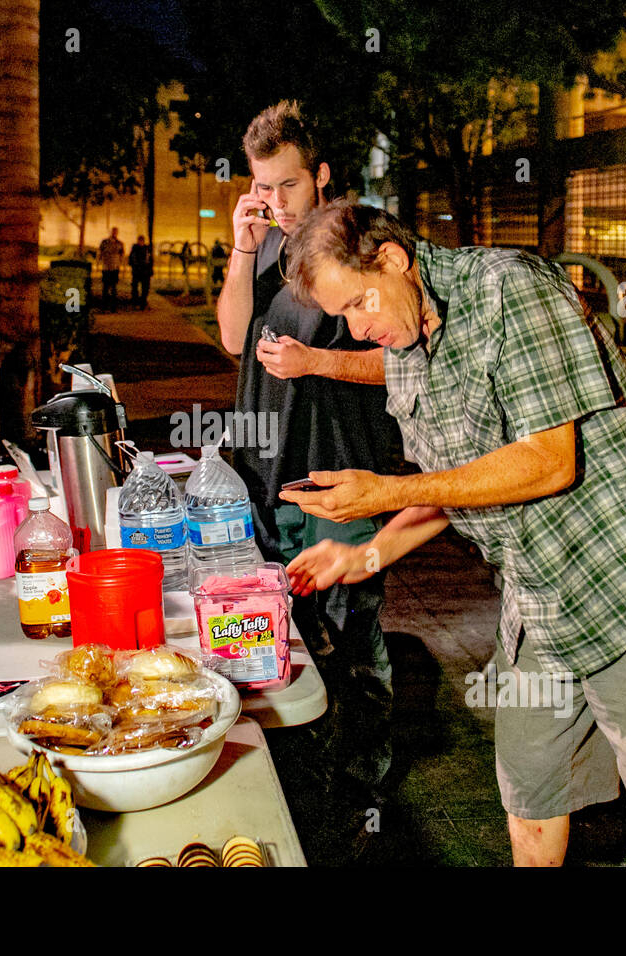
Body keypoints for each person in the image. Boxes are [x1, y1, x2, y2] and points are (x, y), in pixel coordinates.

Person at [279, 198, 626, 868]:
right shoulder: (410, 335)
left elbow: (550, 461)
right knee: (531, 792)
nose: (356, 326)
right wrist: (365, 553)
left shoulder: (509, 291)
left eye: (358, 304)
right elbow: (458, 481)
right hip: (542, 599)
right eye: (341, 315)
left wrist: (390, 491)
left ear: (394, 259)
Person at [215, 102, 403, 824]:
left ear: (321, 177)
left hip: (342, 477)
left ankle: (364, 793)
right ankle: (294, 778)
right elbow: (234, 340)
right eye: (263, 187)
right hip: (265, 479)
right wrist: (240, 247)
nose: (275, 202)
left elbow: (404, 362)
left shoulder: (359, 238)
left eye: (288, 186)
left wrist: (316, 360)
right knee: (276, 639)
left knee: (355, 641)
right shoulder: (263, 245)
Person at [97, 227, 124, 309]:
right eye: (113, 232)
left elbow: (122, 255)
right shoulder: (104, 242)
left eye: (116, 232)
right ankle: (104, 304)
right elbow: (100, 252)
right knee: (105, 287)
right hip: (106, 267)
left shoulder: (120, 243)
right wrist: (98, 263)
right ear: (110, 232)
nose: (114, 233)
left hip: (115, 268)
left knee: (114, 287)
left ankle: (113, 306)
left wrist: (121, 265)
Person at [129, 234, 153, 308]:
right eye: (140, 241)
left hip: (145, 272)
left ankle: (142, 302)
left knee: (145, 288)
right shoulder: (135, 249)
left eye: (141, 241)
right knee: (135, 288)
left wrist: (150, 270)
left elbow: (150, 260)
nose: (140, 242)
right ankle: (136, 302)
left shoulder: (147, 249)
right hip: (137, 271)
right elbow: (131, 259)